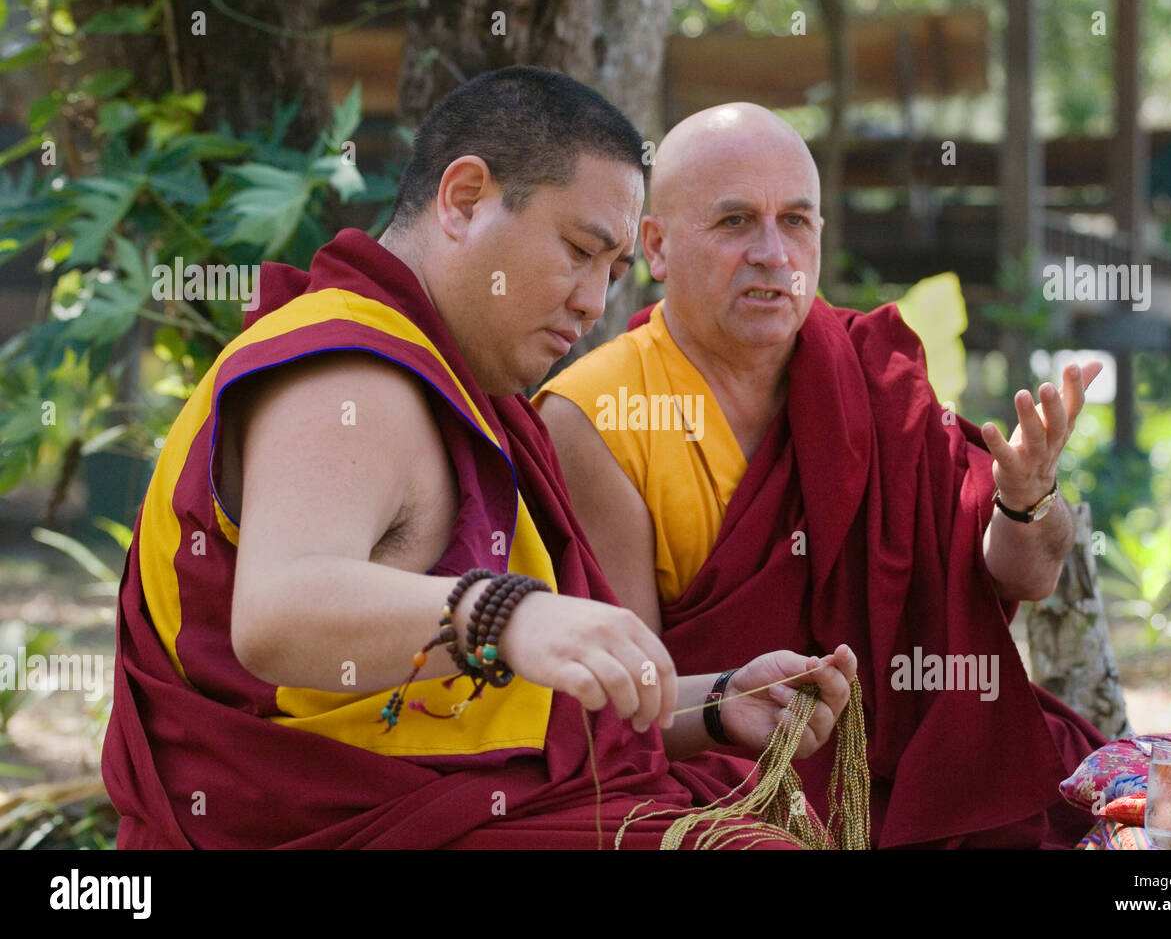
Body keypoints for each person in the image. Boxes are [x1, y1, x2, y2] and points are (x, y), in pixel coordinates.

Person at [102, 69, 857, 850]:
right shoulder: (349, 373)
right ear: (463, 199)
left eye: (614, 272)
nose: (595, 303)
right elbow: (278, 609)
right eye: (578, 250)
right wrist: (507, 613)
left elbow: (516, 718)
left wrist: (718, 703)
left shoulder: (468, 391)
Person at [535, 101, 1108, 848]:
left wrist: (1028, 501)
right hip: (727, 782)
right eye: (735, 221)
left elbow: (1024, 578)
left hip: (921, 777)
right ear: (657, 246)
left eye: (796, 221)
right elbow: (630, 713)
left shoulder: (870, 379)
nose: (774, 252)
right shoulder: (598, 416)